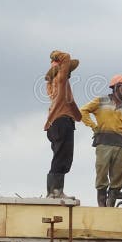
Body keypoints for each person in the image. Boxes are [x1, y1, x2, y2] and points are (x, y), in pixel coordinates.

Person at [80, 74, 122, 207]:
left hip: (120, 144)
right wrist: (94, 126)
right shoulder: (101, 101)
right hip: (103, 142)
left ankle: (110, 204)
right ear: (116, 87)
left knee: (118, 176)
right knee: (101, 173)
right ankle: (102, 206)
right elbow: (83, 111)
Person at [43, 51, 82, 199]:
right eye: (67, 70)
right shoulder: (60, 79)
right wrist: (54, 54)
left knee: (61, 156)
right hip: (61, 122)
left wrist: (78, 117)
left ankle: (54, 191)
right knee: (62, 157)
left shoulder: (56, 85)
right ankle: (55, 191)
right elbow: (66, 57)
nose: (69, 72)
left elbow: (70, 103)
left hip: (57, 123)